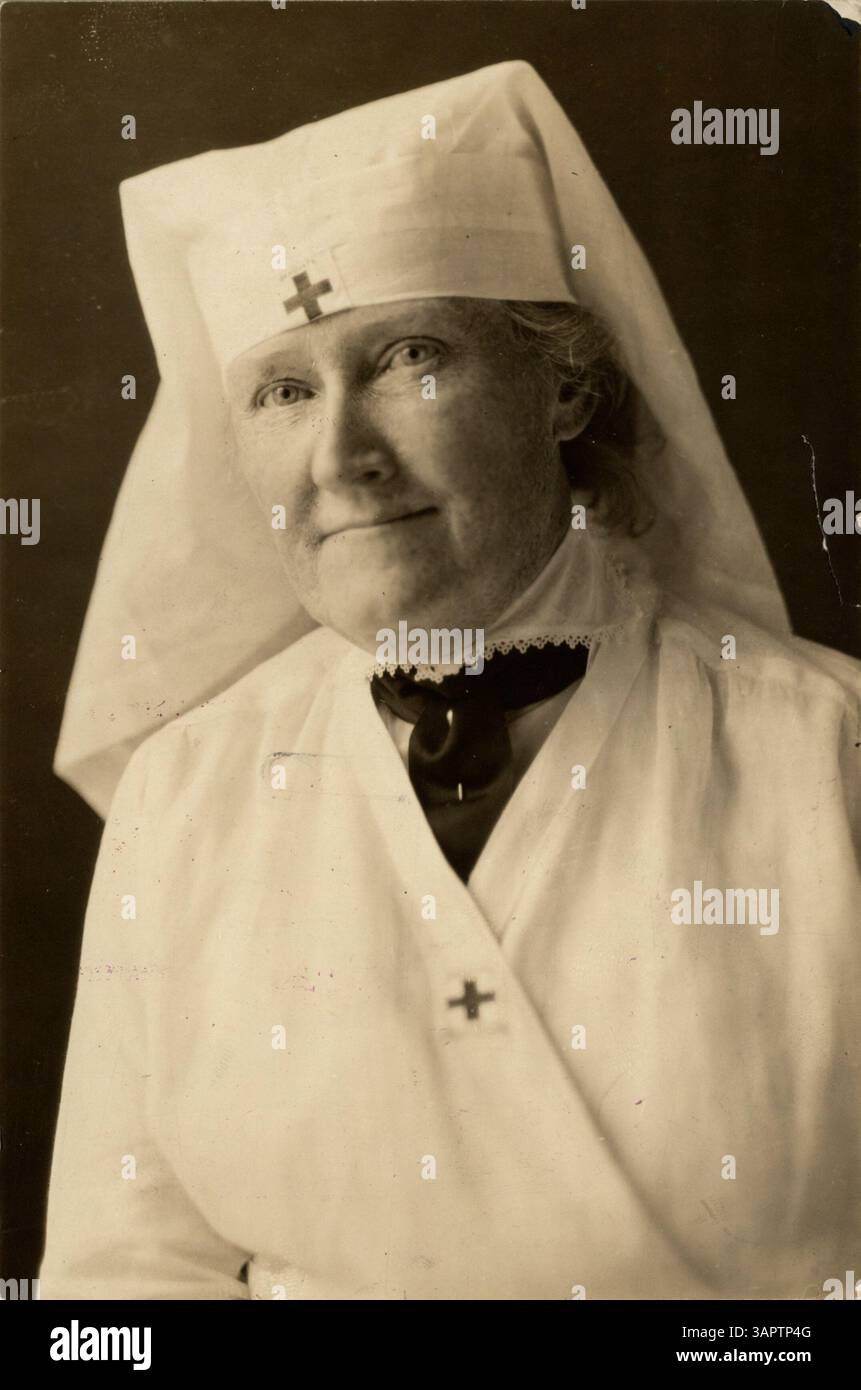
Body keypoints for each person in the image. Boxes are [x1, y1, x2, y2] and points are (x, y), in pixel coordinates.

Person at [41, 60, 859, 1301]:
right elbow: (123, 1275)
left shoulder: (831, 752)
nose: (341, 458)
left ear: (563, 386)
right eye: (282, 390)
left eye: (409, 357)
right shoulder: (187, 790)